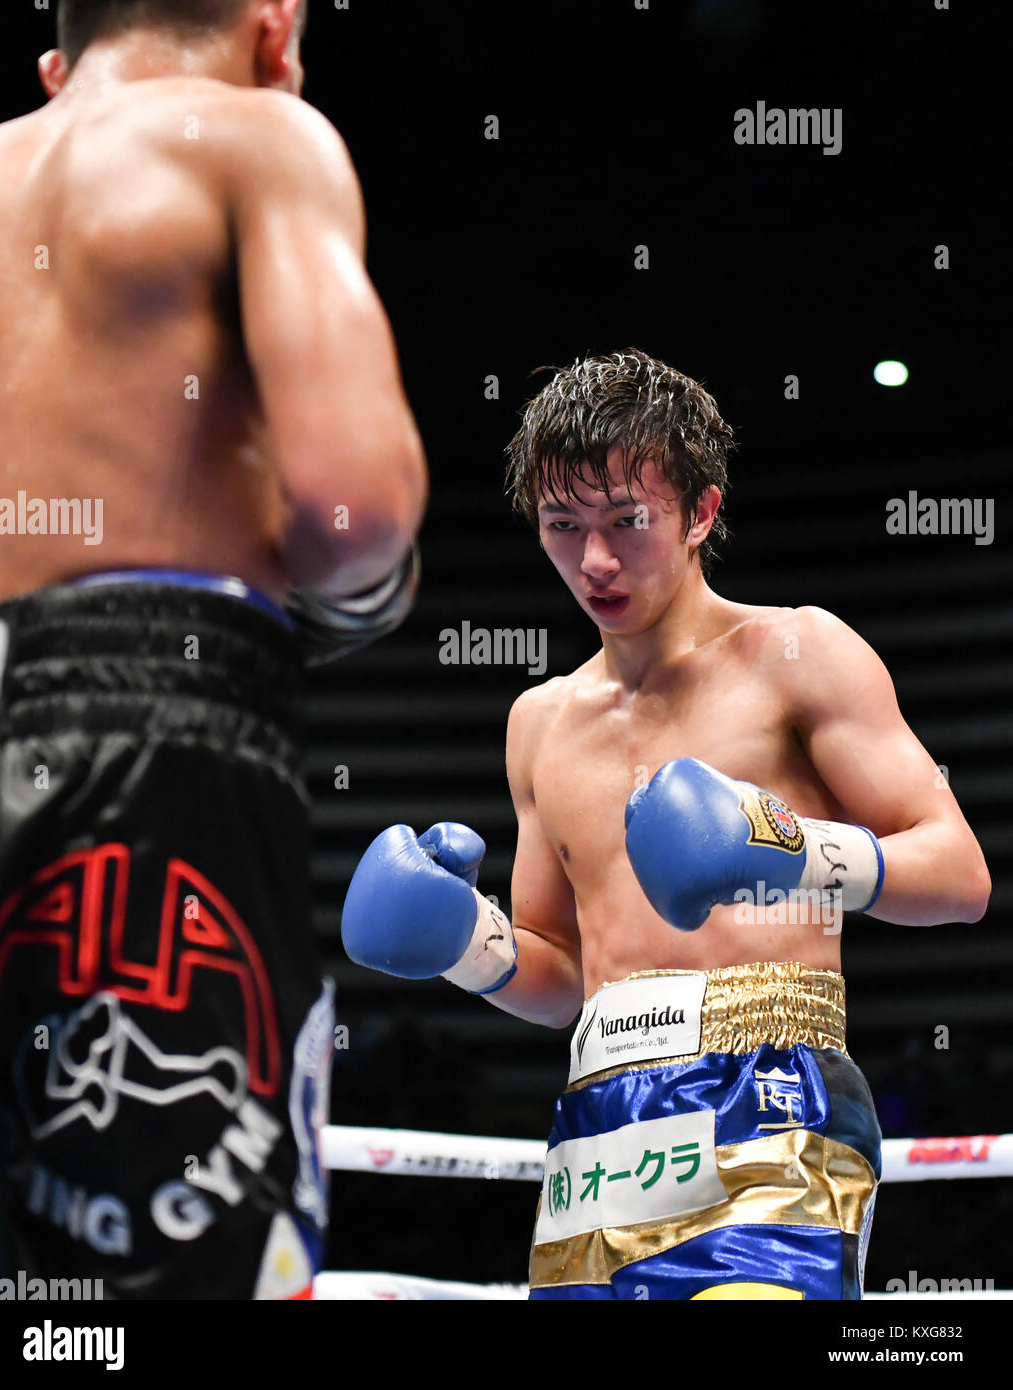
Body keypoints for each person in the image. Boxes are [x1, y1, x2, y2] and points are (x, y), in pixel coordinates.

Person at [341, 348, 990, 1300]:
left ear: (702, 513)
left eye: (627, 522)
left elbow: (960, 874)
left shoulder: (798, 655)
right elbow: (562, 974)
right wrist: (465, 945)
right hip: (603, 1123)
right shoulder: (540, 723)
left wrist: (787, 848)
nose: (594, 560)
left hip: (774, 1086)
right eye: (564, 526)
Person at [0, 0, 427, 1299]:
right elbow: (355, 510)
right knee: (174, 1272)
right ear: (274, 26)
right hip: (149, 740)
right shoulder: (257, 138)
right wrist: (355, 600)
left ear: (58, 65)